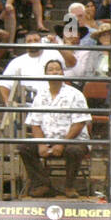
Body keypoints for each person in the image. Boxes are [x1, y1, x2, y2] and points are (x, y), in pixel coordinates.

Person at [20, 58, 93, 197]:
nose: (54, 72)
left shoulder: (75, 94)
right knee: (24, 147)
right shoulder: (40, 96)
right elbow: (35, 123)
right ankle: (42, 184)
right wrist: (41, 144)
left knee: (74, 150)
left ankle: (69, 187)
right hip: (47, 139)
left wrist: (61, 143)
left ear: (63, 72)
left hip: (73, 140)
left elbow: (79, 123)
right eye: (50, 69)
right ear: (45, 74)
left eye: (57, 69)